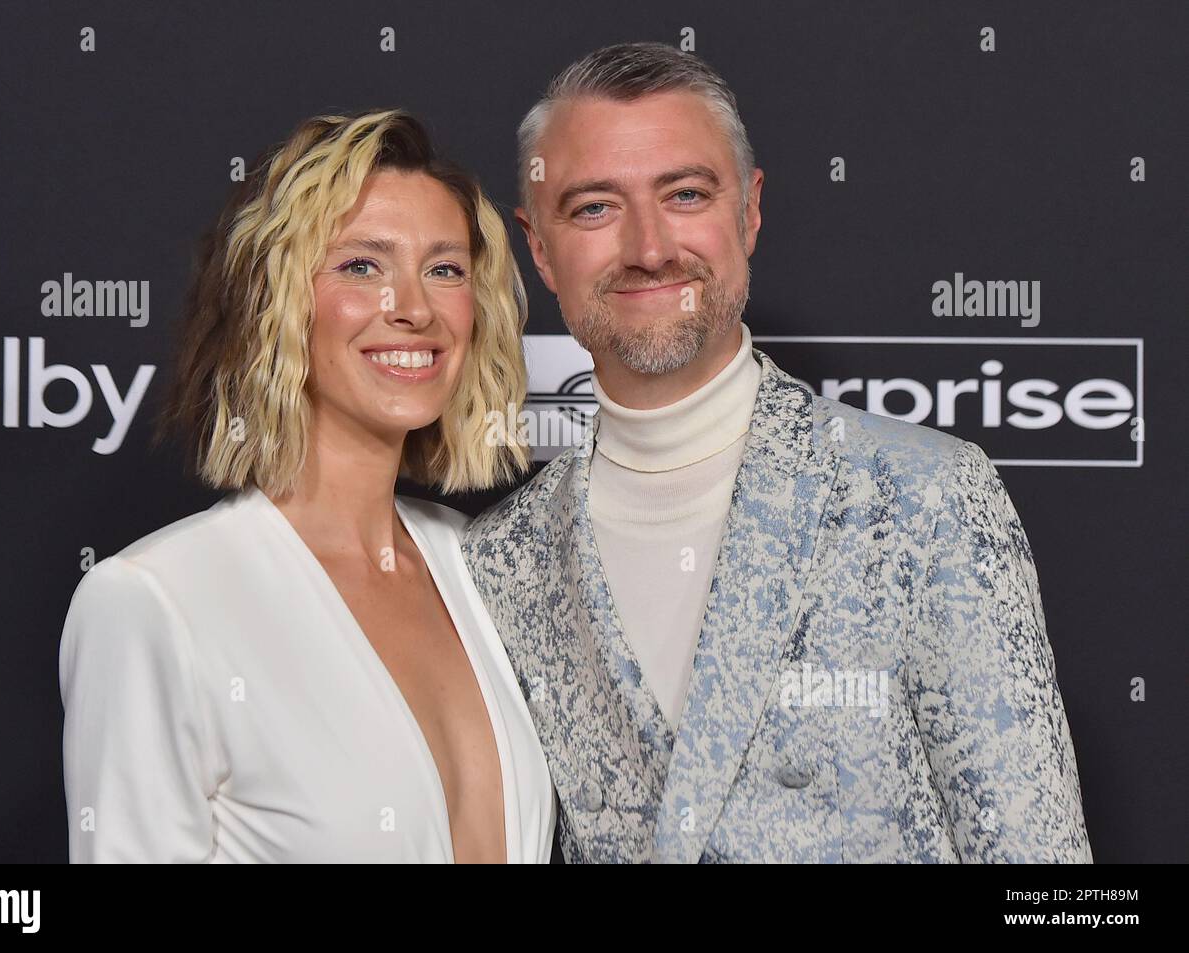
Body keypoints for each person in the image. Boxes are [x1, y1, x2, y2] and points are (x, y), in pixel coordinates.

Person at [460, 42, 1092, 863]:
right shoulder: (502, 560)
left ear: (749, 212)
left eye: (686, 194)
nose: (650, 247)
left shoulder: (923, 498)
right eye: (593, 209)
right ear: (538, 247)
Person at [59, 109, 555, 862]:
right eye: (362, 265)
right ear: (274, 302)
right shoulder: (153, 601)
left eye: (445, 268)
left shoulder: (483, 567)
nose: (414, 307)